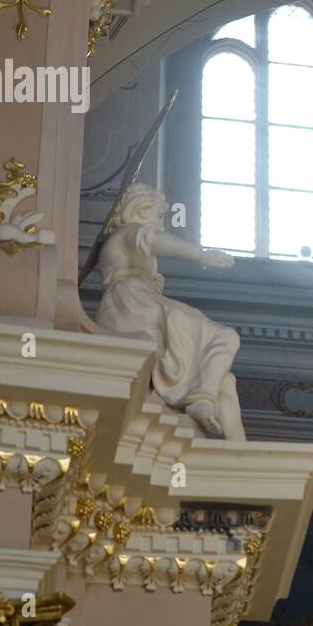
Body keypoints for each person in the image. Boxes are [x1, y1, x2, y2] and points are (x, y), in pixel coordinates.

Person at [95, 184, 244, 439]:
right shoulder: (129, 234)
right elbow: (154, 239)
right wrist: (200, 255)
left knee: (223, 380)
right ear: (141, 211)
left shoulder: (121, 244)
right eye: (159, 216)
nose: (161, 225)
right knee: (226, 337)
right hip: (135, 308)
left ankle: (241, 454)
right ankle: (202, 399)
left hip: (136, 309)